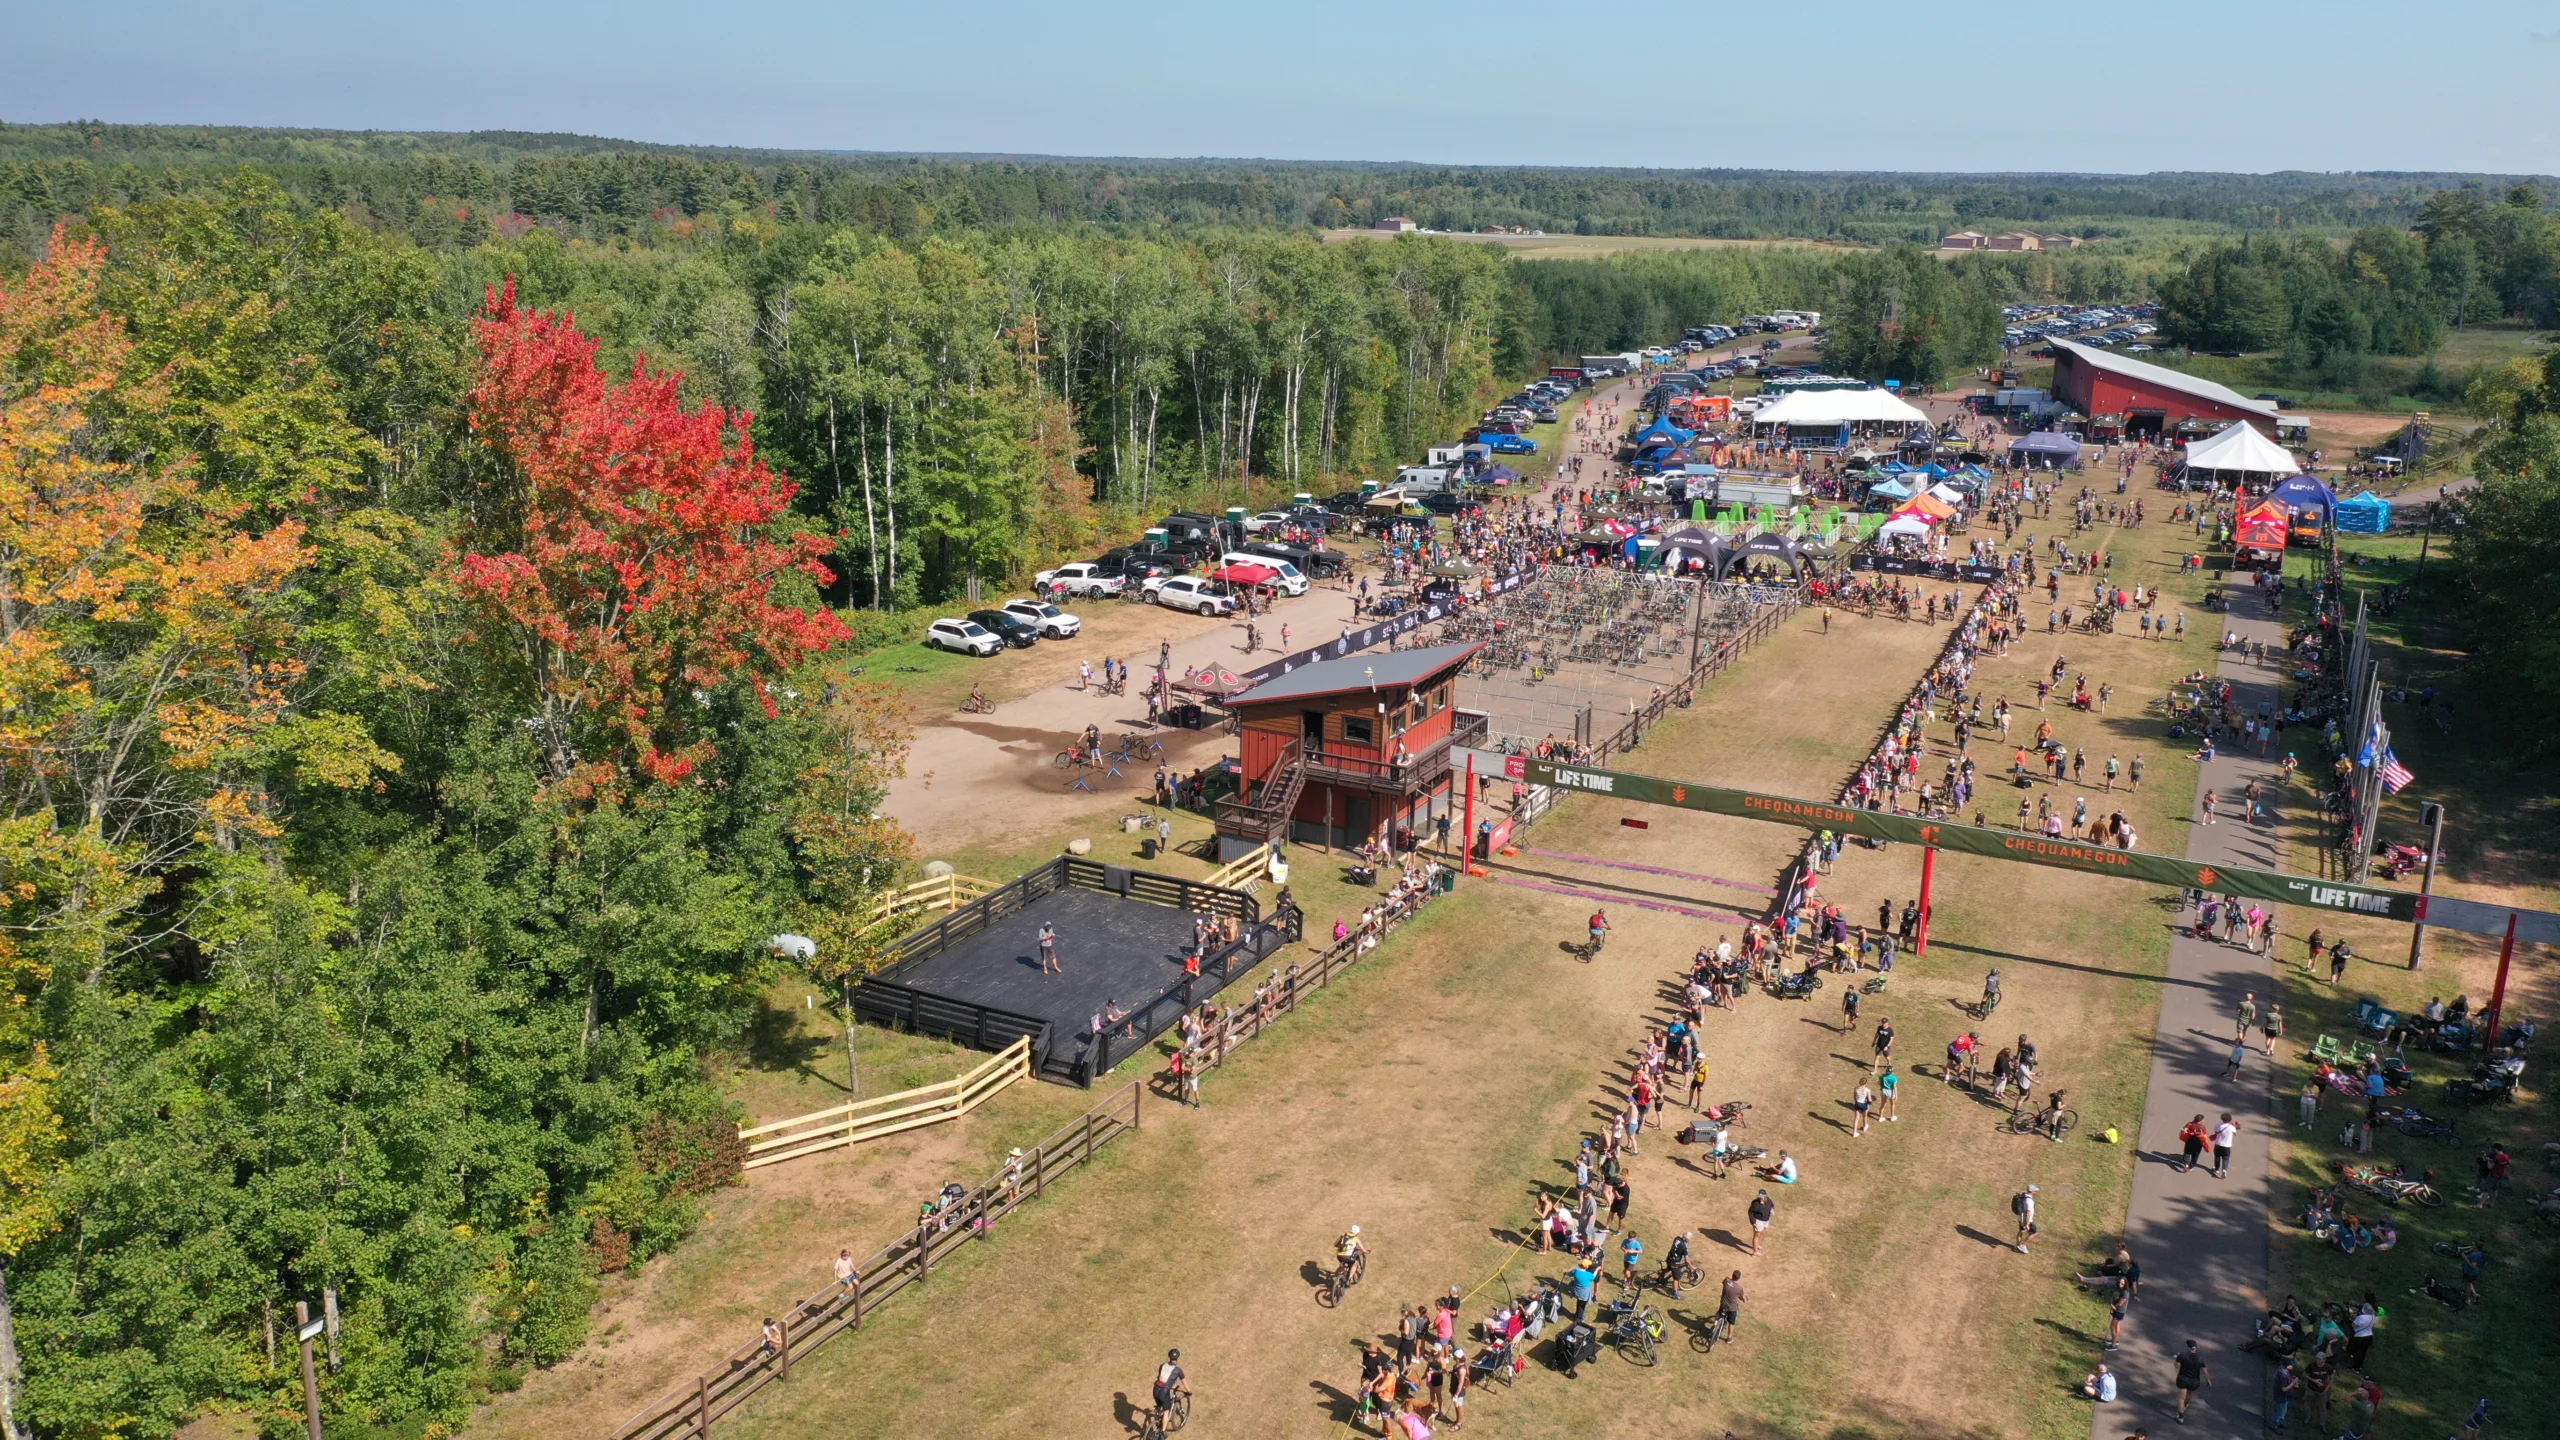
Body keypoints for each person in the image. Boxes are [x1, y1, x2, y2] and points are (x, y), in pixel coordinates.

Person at [2172, 1339, 2212, 1423]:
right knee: (2189, 1393)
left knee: (2181, 1398)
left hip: (2183, 1379)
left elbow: (2176, 1366)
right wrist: (2208, 1380)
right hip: (2194, 1381)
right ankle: (2185, 1405)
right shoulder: (2200, 1358)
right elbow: (2204, 1371)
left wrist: (2177, 1359)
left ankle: (2180, 1417)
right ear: (2195, 1348)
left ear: (2188, 1347)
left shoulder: (2182, 1355)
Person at [1152, 1349, 1188, 1426]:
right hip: (1163, 1392)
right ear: (1177, 1359)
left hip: (1155, 1389)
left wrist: (1173, 1386)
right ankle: (1162, 1433)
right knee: (1166, 1412)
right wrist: (1189, 1391)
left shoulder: (1162, 1365)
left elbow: (1161, 1378)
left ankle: (1155, 1424)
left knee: (1159, 1406)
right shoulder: (1178, 1370)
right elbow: (1184, 1383)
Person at [1747, 1190, 1775, 1256]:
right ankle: (1755, 1252)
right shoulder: (1755, 1203)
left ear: (1765, 1196)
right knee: (1756, 1236)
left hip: (1766, 1221)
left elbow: (1772, 1205)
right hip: (1758, 1221)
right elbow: (1750, 1212)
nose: (1760, 1198)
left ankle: (1757, 1245)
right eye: (1760, 1197)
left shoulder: (1768, 1200)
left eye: (1762, 1197)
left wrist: (1772, 1210)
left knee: (1762, 1233)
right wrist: (1753, 1222)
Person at [2013, 1184, 2038, 1254]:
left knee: (2021, 1231)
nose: (2036, 1192)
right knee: (2034, 1233)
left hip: (2020, 1217)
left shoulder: (2023, 1195)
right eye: (2035, 1191)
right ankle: (2023, 1246)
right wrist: (2027, 1224)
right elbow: (2028, 1213)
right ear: (2032, 1191)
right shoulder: (2029, 1201)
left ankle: (2017, 1246)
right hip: (2026, 1220)